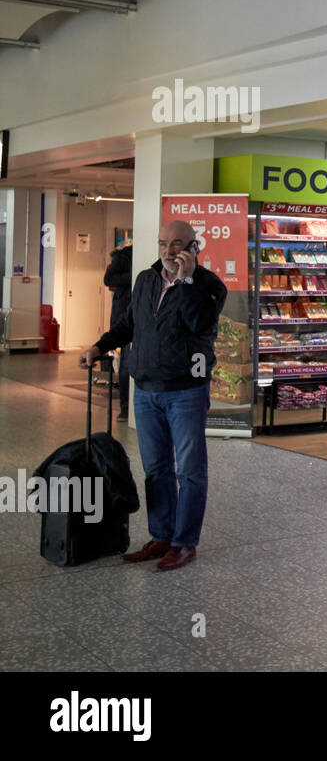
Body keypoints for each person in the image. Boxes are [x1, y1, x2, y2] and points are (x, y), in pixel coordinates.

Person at [79, 221, 227, 571]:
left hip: (186, 391)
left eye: (177, 244)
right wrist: (99, 347)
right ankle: (161, 536)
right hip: (146, 391)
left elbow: (200, 324)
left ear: (195, 247)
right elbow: (130, 325)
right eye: (163, 243)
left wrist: (187, 281)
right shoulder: (145, 280)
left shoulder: (209, 286)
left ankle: (184, 542)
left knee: (190, 472)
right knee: (156, 470)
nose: (168, 250)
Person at [103, 244, 133, 422]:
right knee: (126, 364)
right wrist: (134, 276)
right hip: (124, 316)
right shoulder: (124, 256)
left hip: (142, 314)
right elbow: (109, 279)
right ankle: (125, 407)